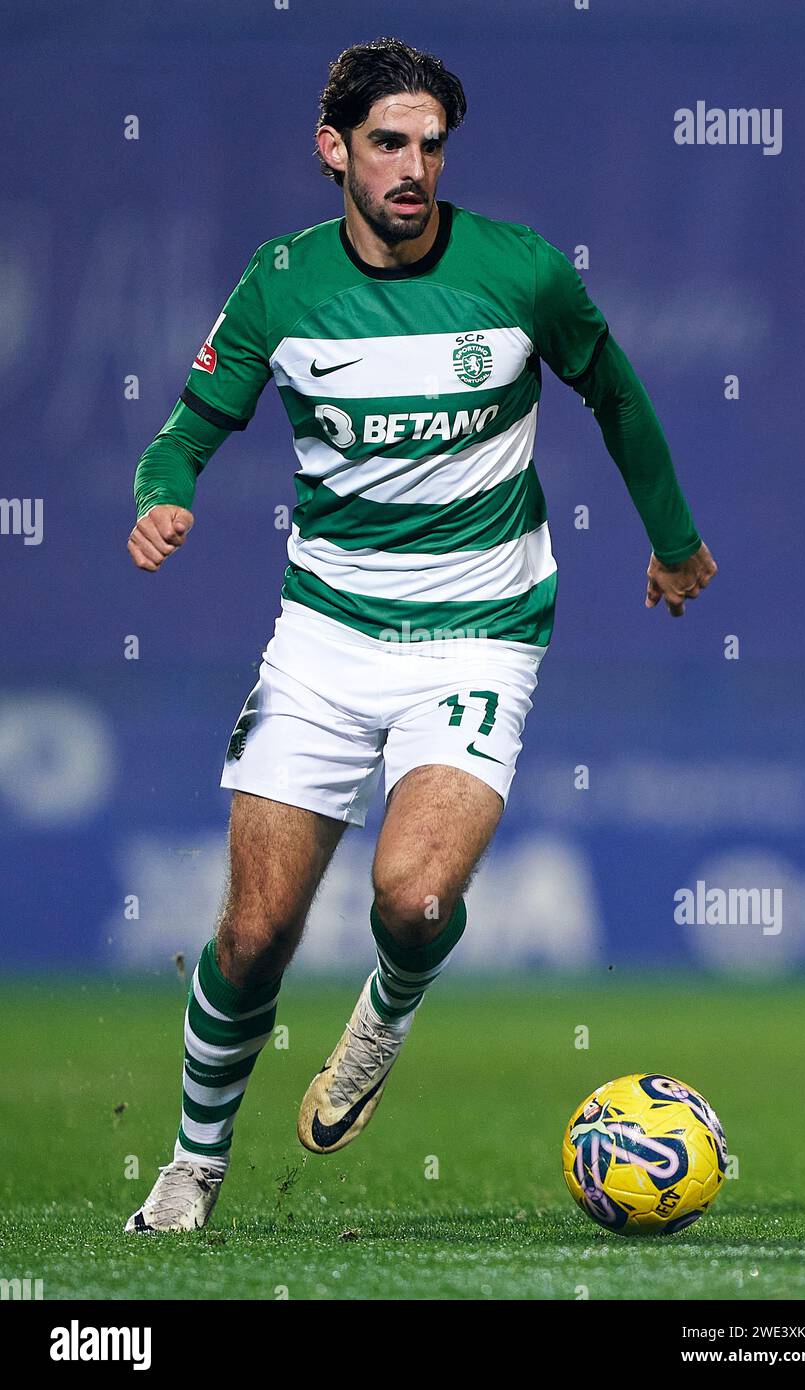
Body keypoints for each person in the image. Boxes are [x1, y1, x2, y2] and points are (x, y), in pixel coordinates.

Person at [125, 36, 716, 1233]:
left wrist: (669, 537)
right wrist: (160, 491)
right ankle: (190, 1166)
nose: (412, 168)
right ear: (332, 150)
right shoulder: (279, 285)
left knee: (409, 895)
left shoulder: (520, 273)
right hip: (324, 638)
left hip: (479, 634)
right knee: (250, 934)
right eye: (388, 143)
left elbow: (614, 391)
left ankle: (384, 1011)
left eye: (430, 146)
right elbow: (187, 428)